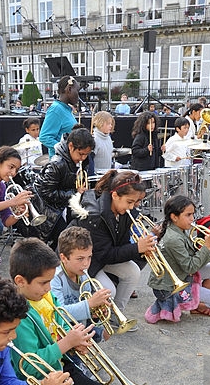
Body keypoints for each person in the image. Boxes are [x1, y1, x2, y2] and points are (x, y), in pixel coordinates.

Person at [9, 237, 112, 385]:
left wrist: (74, 340)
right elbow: (28, 366)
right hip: (35, 379)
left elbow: (59, 320)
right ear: (20, 281)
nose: (49, 288)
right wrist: (66, 344)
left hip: (58, 362)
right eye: (43, 283)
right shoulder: (17, 316)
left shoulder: (43, 297)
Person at [71, 169, 153, 312]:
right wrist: (136, 248)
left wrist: (142, 251)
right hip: (87, 261)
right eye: (129, 201)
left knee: (133, 271)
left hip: (100, 257)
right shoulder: (95, 216)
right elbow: (104, 254)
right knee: (108, 291)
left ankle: (117, 316)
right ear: (115, 195)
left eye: (135, 202)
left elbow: (121, 244)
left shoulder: (124, 211)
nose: (132, 207)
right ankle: (101, 322)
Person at [145, 194, 210, 323]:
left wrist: (209, 245)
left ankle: (193, 302)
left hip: (182, 274)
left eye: (193, 214)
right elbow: (190, 267)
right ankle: (169, 305)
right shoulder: (173, 238)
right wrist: (207, 247)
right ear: (174, 217)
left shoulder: (181, 229)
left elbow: (191, 258)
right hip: (168, 287)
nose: (192, 219)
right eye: (188, 215)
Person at [35, 127, 94, 246]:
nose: (83, 158)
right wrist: (75, 193)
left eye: (86, 155)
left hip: (63, 208)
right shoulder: (57, 164)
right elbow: (46, 193)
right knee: (65, 241)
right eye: (81, 154)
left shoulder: (76, 162)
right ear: (71, 146)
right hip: (51, 213)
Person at [51, 226, 113, 337]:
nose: (86, 264)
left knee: (107, 334)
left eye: (89, 257)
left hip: (81, 326)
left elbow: (87, 307)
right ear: (64, 258)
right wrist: (89, 304)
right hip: (61, 332)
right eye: (80, 259)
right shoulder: (55, 278)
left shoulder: (83, 276)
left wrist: (97, 310)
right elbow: (58, 314)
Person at [40, 76, 80, 151]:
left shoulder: (65, 109)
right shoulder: (56, 109)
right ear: (69, 89)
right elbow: (44, 137)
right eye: (77, 91)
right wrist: (66, 149)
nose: (78, 96)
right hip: (60, 161)